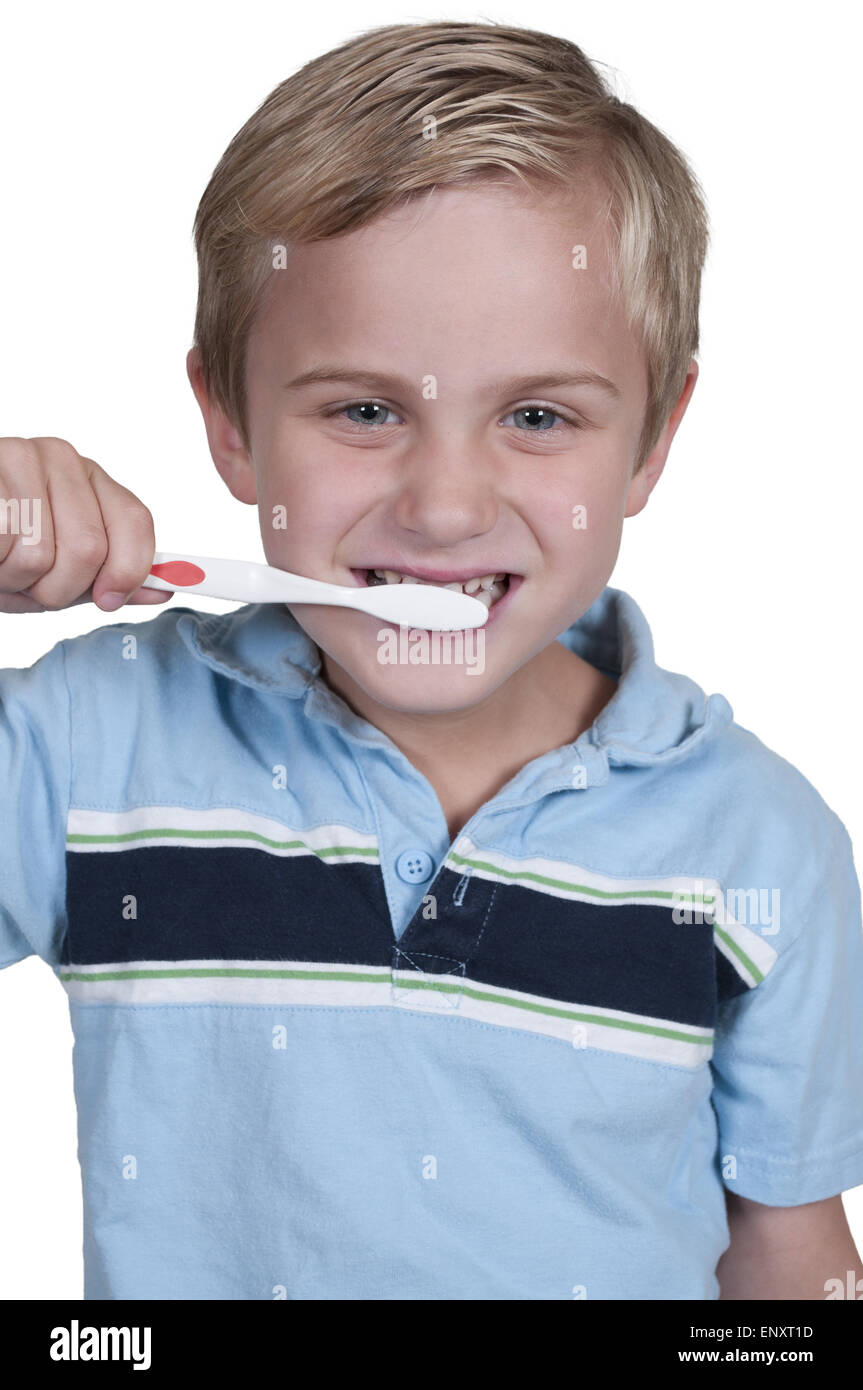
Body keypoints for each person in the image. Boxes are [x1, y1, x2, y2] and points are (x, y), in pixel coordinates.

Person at [1, 20, 861, 1300]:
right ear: (229, 424)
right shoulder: (89, 746)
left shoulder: (759, 845)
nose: (446, 506)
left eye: (534, 415)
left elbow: (789, 1271)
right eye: (362, 409)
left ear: (651, 441)